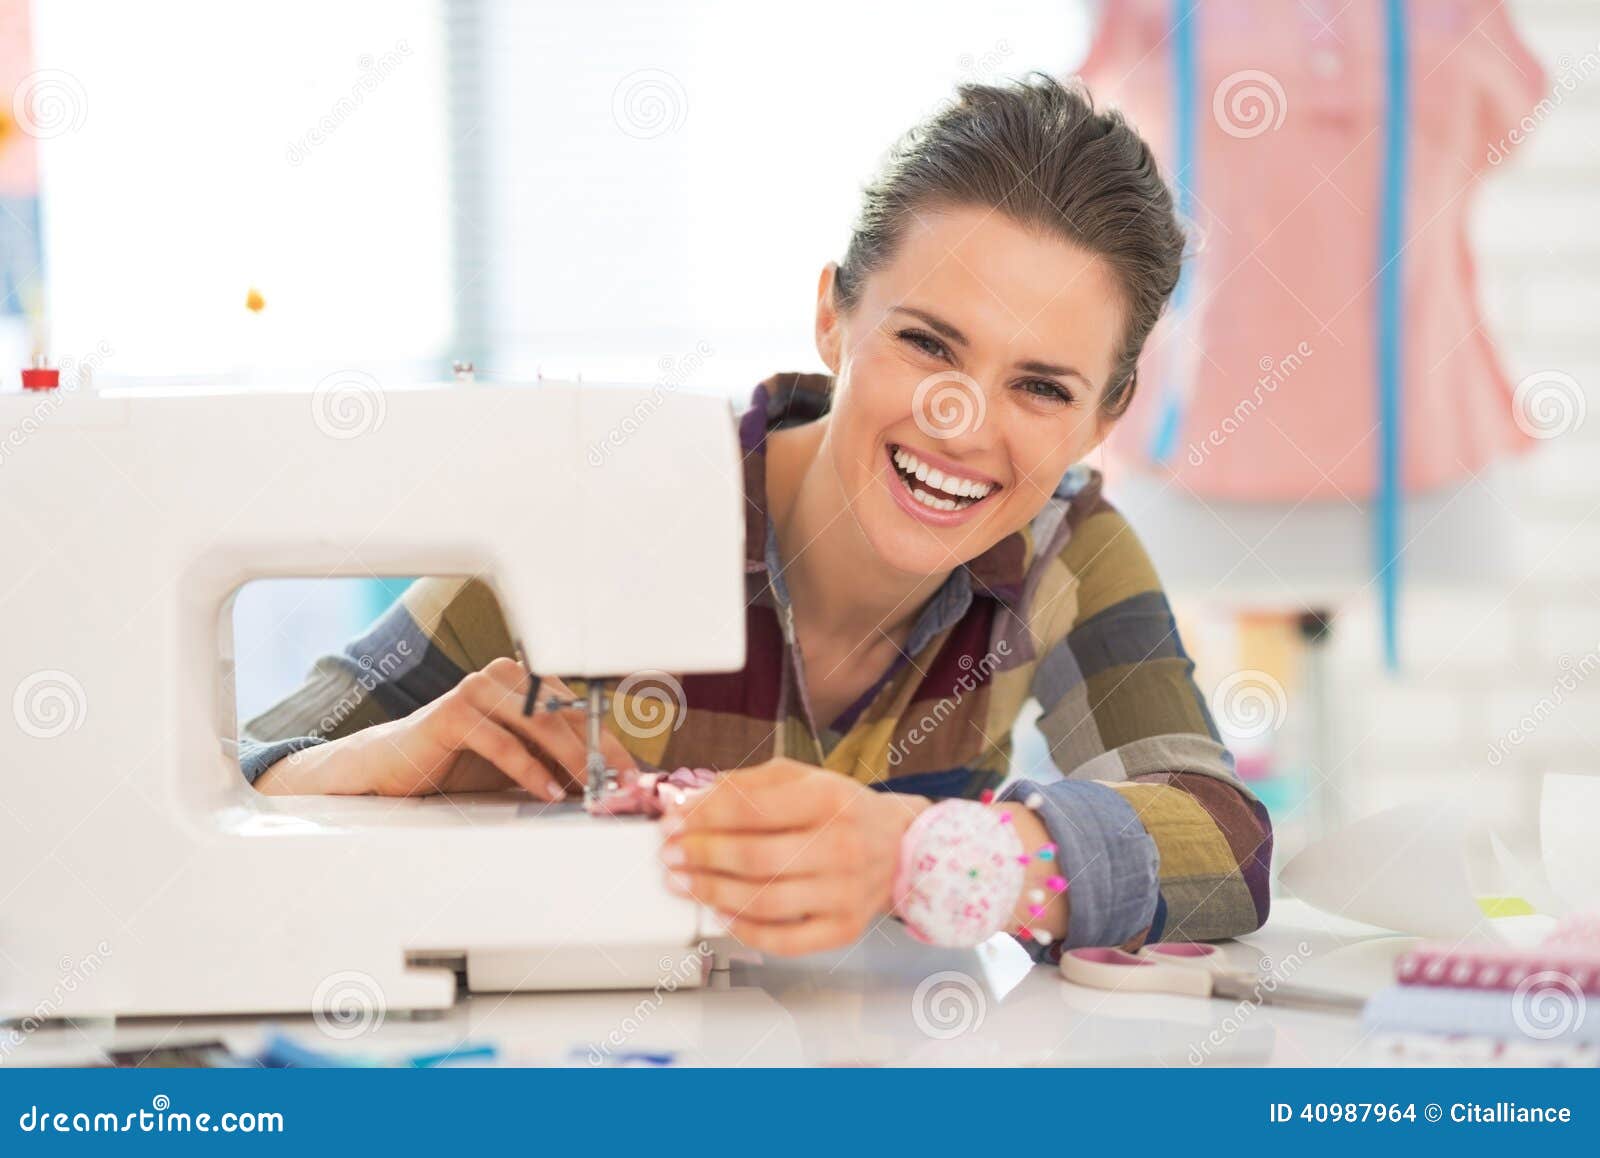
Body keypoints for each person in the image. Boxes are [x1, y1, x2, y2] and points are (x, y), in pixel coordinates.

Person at [241, 73, 1272, 962]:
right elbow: (235, 773)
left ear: (1105, 417)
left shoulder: (1066, 551)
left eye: (1041, 388)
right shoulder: (606, 502)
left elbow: (1223, 844)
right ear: (832, 316)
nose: (961, 423)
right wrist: (370, 761)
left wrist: (935, 856)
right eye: (928, 345)